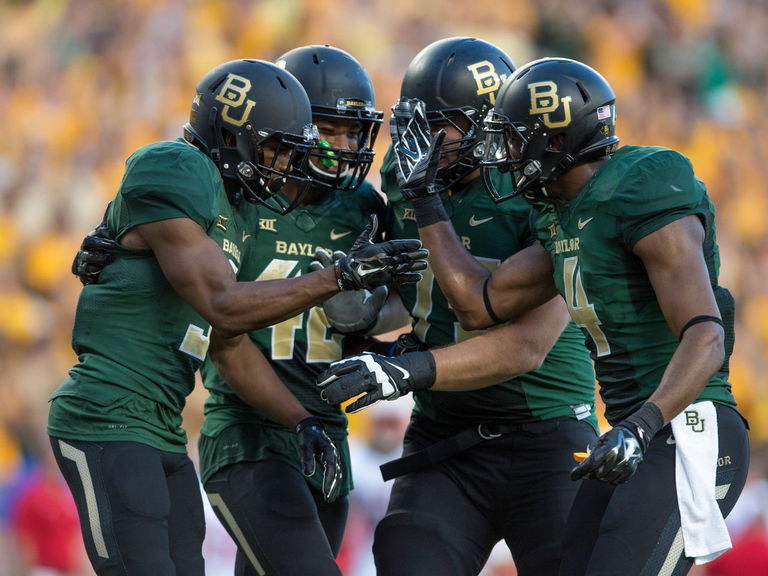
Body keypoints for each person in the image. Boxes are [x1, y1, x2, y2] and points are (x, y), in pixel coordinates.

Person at [321, 57, 750, 576]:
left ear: (554, 140)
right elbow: (478, 304)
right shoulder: (562, 214)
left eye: (515, 137)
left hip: (684, 425)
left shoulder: (644, 184)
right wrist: (425, 202)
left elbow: (706, 336)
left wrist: (639, 426)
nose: (503, 152)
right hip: (629, 431)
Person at [49, 58, 427, 576]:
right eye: (278, 145)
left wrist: (313, 406)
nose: (287, 159)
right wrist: (337, 277)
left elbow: (222, 331)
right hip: (126, 415)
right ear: (235, 138)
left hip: (170, 425)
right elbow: (222, 310)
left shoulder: (241, 201)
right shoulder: (185, 171)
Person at [319, 38, 599, 576]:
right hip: (445, 437)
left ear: (488, 124)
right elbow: (419, 296)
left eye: (439, 124)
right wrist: (366, 310)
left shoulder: (539, 183)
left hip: (546, 432)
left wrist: (409, 369)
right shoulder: (404, 179)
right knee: (407, 557)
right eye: (415, 122)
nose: (421, 140)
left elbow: (527, 345)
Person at [196, 45, 407, 576]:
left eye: (354, 131)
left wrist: (376, 329)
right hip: (249, 433)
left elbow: (378, 314)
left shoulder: (364, 207)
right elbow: (224, 335)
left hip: (326, 434)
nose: (346, 145)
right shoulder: (237, 197)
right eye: (330, 129)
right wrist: (298, 419)